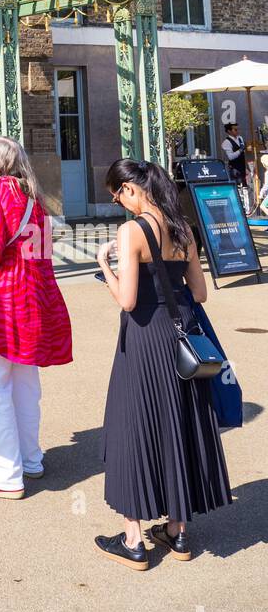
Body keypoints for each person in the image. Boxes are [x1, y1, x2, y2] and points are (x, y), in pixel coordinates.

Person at [94, 159, 232, 569]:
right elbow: (201, 293)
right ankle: (178, 530)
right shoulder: (182, 228)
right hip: (182, 336)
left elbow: (128, 300)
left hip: (145, 338)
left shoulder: (132, 231)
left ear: (132, 190)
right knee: (180, 423)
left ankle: (134, 539)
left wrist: (105, 264)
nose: (119, 203)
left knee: (132, 425)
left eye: (117, 194)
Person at [0, 136, 72, 499]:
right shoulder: (35, 200)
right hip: (31, 305)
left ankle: (4, 474)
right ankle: (30, 458)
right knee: (24, 388)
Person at [222, 123, 247, 195]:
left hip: (242, 167)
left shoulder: (240, 138)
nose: (237, 131)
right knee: (237, 189)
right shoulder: (226, 142)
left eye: (237, 129)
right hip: (234, 168)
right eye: (235, 129)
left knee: (244, 187)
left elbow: (242, 153)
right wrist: (240, 150)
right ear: (229, 131)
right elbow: (230, 157)